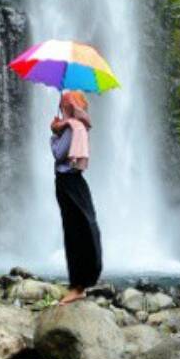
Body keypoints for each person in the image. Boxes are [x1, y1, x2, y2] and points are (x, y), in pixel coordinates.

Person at [50, 90, 103, 303]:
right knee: (83, 227)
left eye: (65, 105)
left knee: (74, 231)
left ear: (69, 108)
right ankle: (82, 281)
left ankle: (77, 285)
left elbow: (58, 153)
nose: (62, 109)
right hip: (76, 182)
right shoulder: (79, 126)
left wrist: (54, 133)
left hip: (68, 181)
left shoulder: (72, 127)